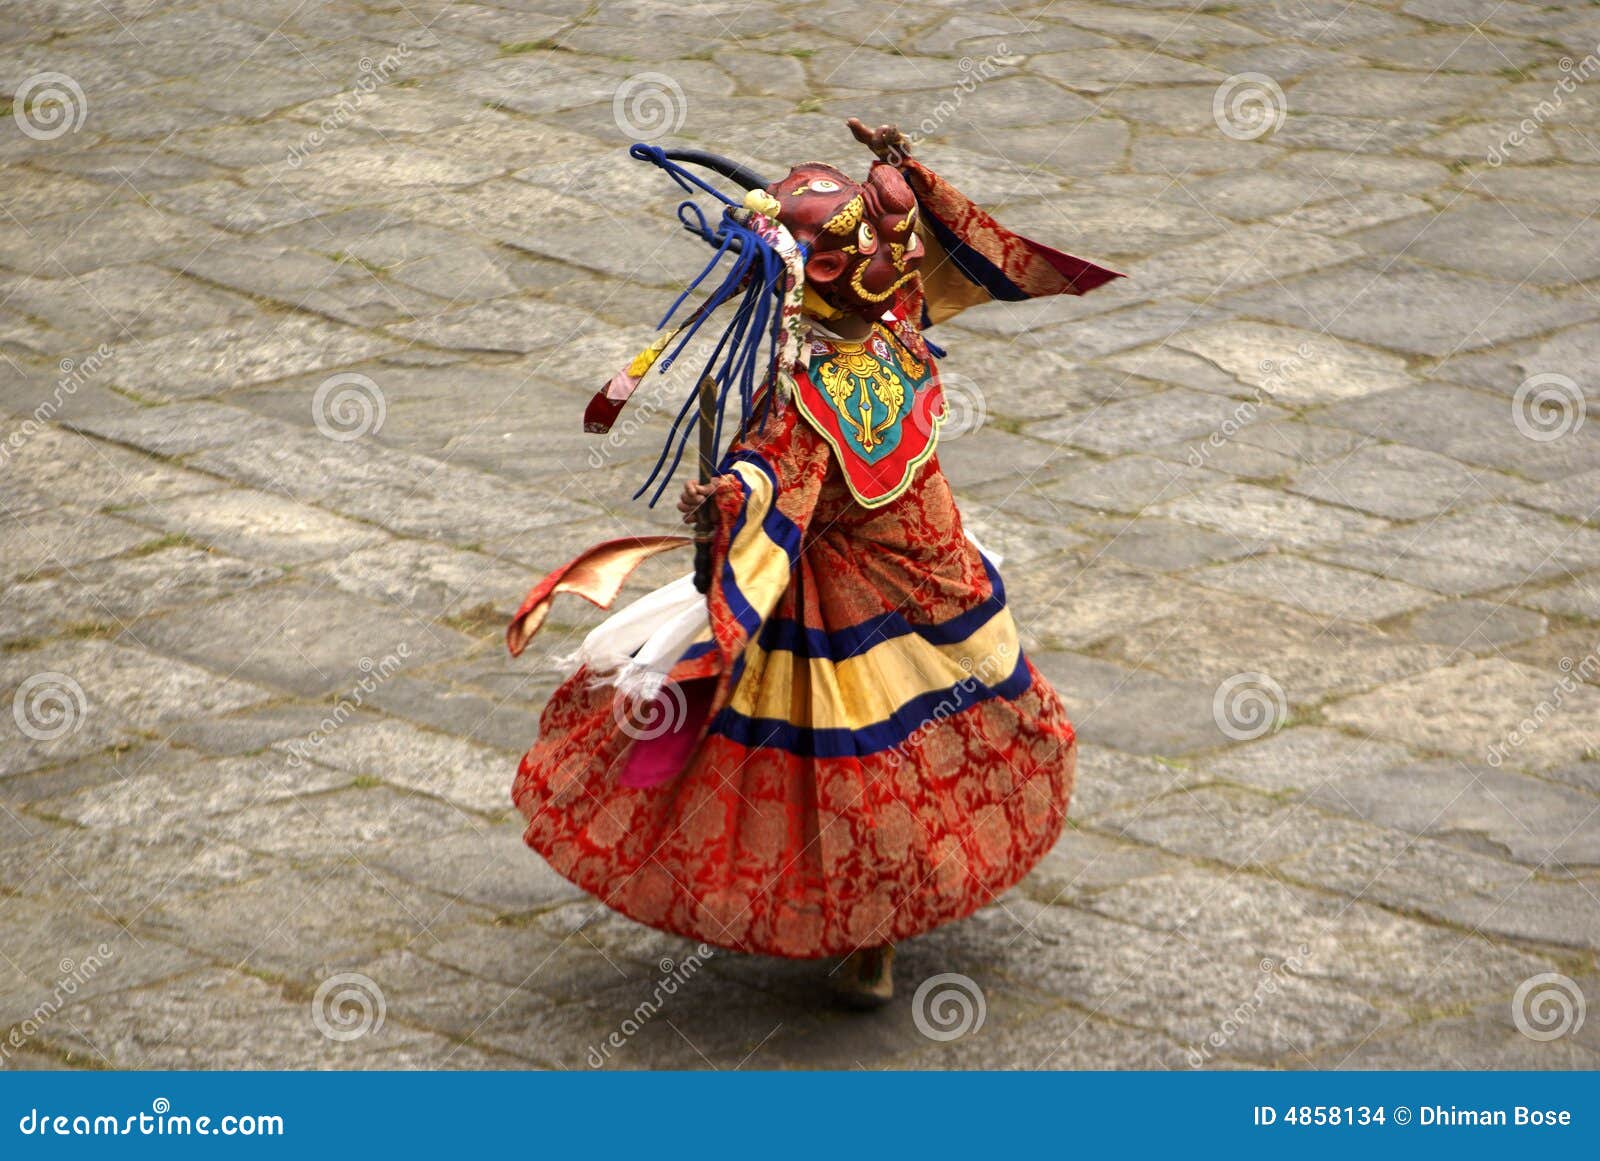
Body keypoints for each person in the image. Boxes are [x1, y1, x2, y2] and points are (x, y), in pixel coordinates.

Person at [506, 119, 1122, 1005]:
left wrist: (725, 505)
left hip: (860, 590)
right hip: (932, 570)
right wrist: (908, 176)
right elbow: (925, 247)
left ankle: (862, 929)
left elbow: (775, 489)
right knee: (920, 738)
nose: (892, 259)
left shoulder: (803, 395)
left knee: (843, 767)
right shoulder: (904, 331)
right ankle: (875, 930)